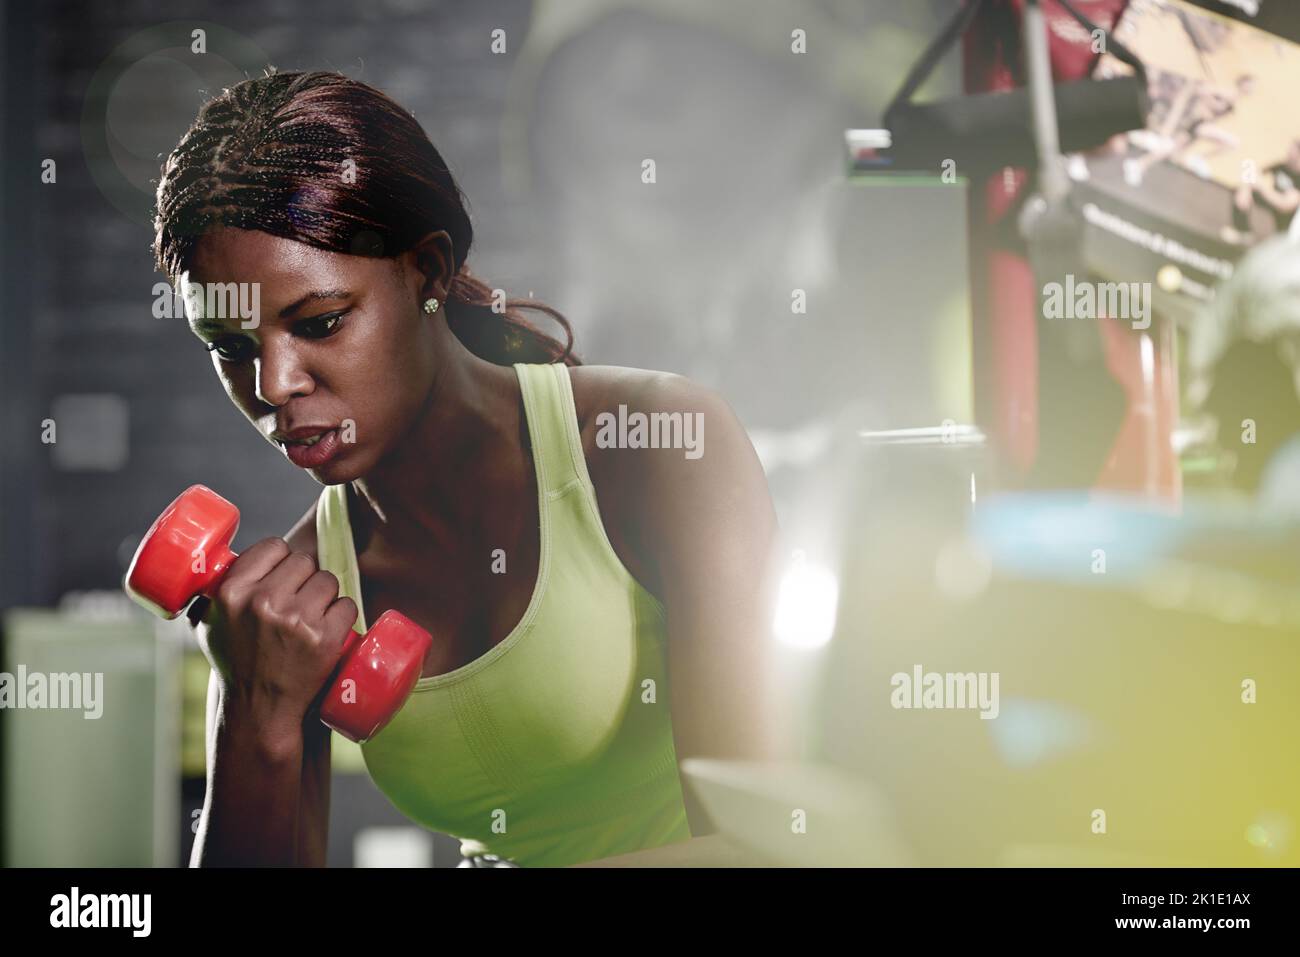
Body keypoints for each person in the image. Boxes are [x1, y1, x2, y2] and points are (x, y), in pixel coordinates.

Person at [155, 69, 786, 867]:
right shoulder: (301, 597)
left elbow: (763, 850)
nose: (274, 384)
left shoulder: (657, 446)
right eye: (232, 348)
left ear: (428, 271)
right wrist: (254, 713)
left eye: (319, 322)